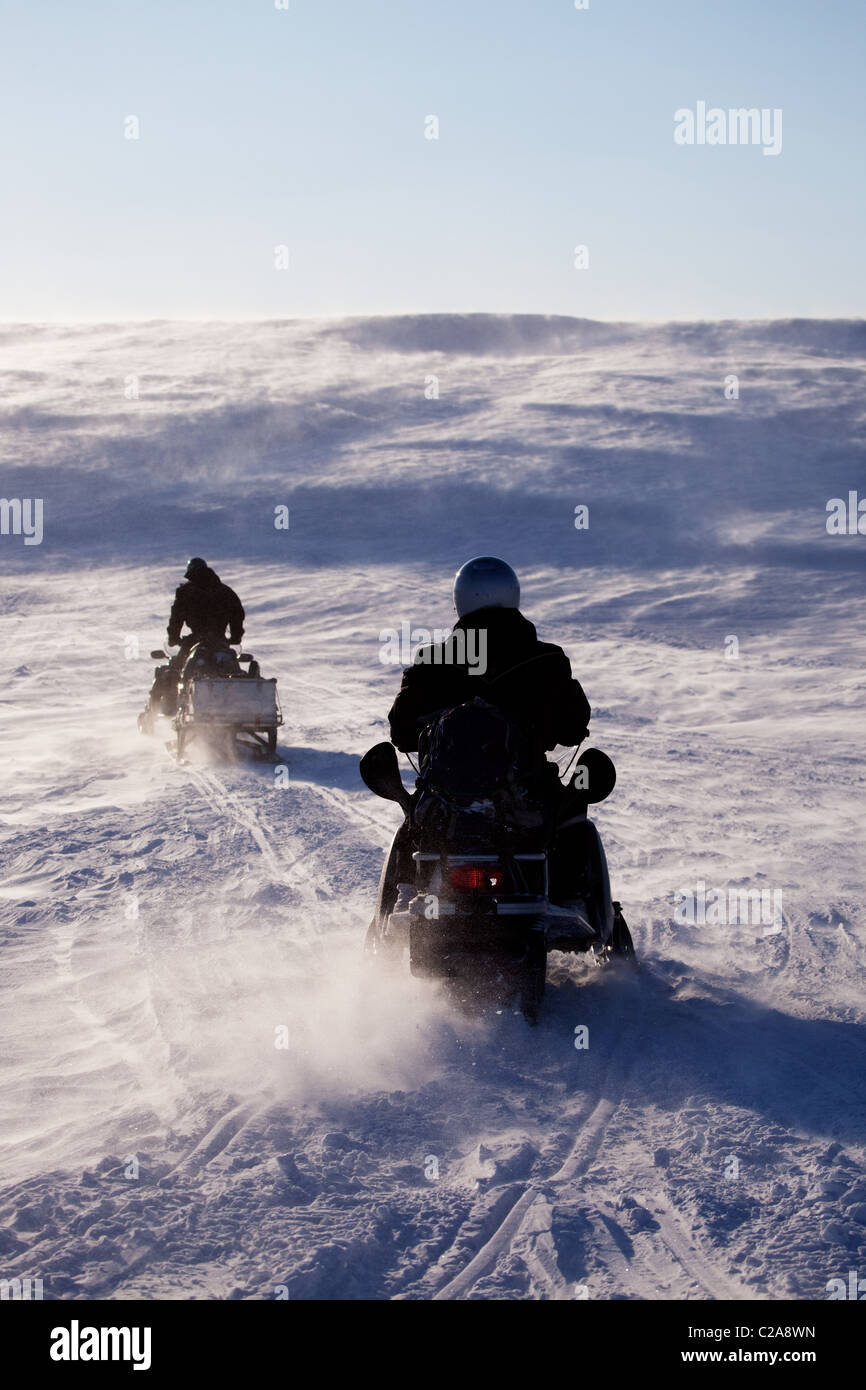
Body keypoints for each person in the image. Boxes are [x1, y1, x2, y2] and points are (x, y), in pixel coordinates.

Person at [382, 555, 595, 908]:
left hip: (446, 798)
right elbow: (575, 726)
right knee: (571, 825)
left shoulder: (432, 661)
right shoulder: (547, 661)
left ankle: (404, 896)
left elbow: (401, 730)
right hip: (526, 795)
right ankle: (574, 902)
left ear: (460, 601)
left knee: (413, 825)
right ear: (513, 595)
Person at [150, 558, 245, 715]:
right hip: (220, 641)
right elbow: (237, 616)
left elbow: (176, 618)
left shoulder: (186, 592)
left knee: (175, 670)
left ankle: (171, 709)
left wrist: (174, 637)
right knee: (234, 671)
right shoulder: (226, 592)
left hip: (195, 641)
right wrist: (235, 637)